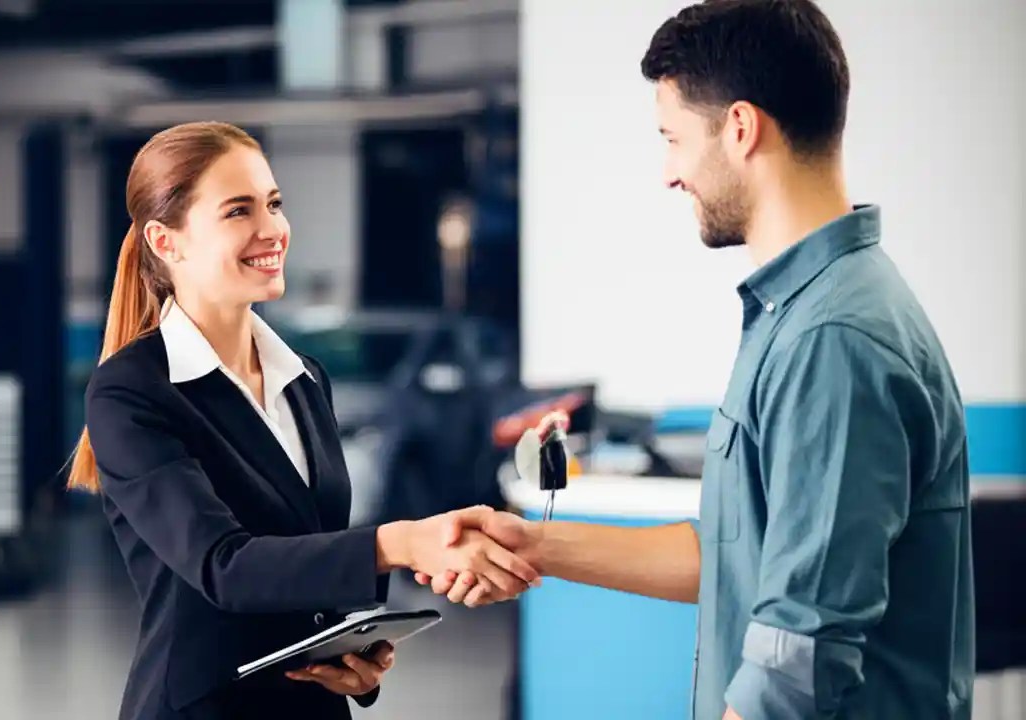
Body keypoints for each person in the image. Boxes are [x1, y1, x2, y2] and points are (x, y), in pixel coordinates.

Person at [420, 1, 975, 719]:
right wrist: (535, 545)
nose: (668, 173)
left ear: (740, 129)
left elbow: (799, 656)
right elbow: (734, 560)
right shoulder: (803, 312)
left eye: (673, 138)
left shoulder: (833, 337)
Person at [68, 121, 539, 720]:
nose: (272, 230)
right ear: (167, 242)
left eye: (273, 204)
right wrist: (401, 542)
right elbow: (224, 566)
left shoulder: (304, 378)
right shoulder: (132, 391)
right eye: (238, 211)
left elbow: (306, 546)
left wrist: (354, 654)